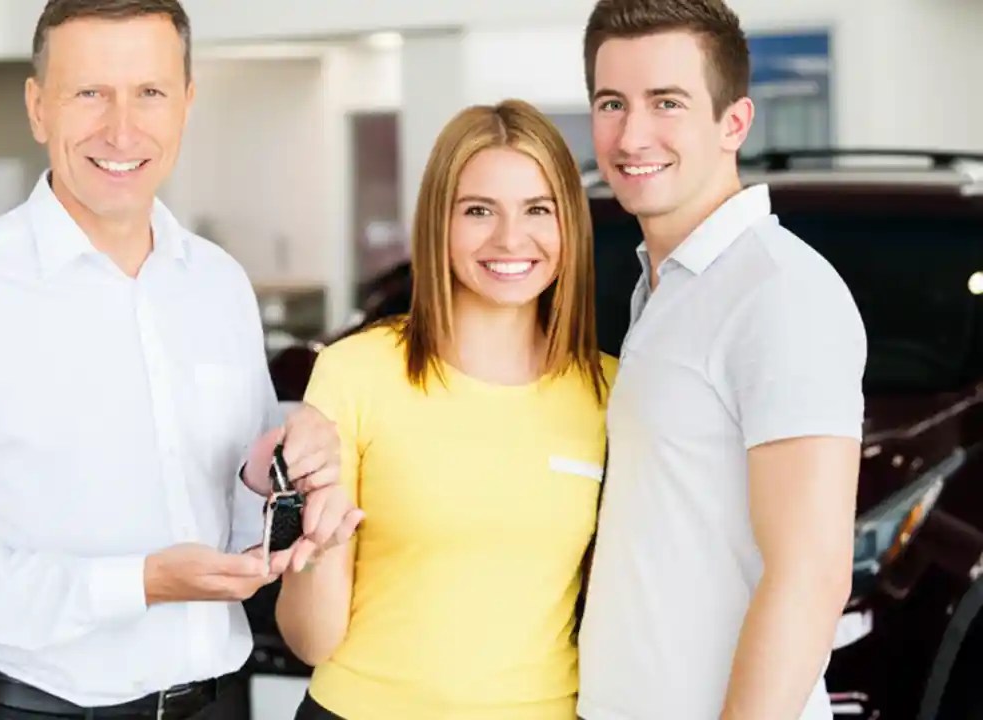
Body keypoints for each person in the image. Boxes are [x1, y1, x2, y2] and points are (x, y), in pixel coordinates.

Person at [0, 1, 362, 718]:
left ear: (186, 103)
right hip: (28, 708)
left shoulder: (217, 284)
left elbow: (237, 528)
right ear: (38, 108)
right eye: (89, 92)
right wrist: (138, 584)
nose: (121, 129)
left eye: (149, 92)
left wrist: (268, 477)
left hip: (210, 705)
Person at [276, 99, 616, 720]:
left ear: (570, 224)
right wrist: (314, 545)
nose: (511, 239)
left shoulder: (610, 394)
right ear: (439, 221)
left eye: (538, 210)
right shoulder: (357, 372)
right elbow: (309, 640)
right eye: (479, 211)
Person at [574, 1, 867, 719]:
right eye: (612, 103)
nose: (632, 133)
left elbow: (812, 574)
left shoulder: (778, 288)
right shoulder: (665, 286)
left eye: (666, 103)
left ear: (734, 122)